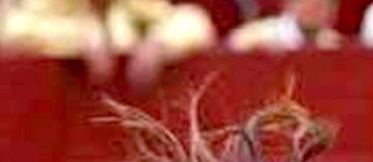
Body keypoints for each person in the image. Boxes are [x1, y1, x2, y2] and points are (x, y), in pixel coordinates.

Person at [0, 0, 215, 89]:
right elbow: (10, 33)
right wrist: (79, 38)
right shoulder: (45, 9)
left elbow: (196, 23)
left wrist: (160, 43)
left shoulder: (133, 7)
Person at [227, 0, 342, 51]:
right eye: (309, 4)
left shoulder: (332, 42)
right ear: (291, 4)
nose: (314, 10)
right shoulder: (259, 34)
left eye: (321, 6)